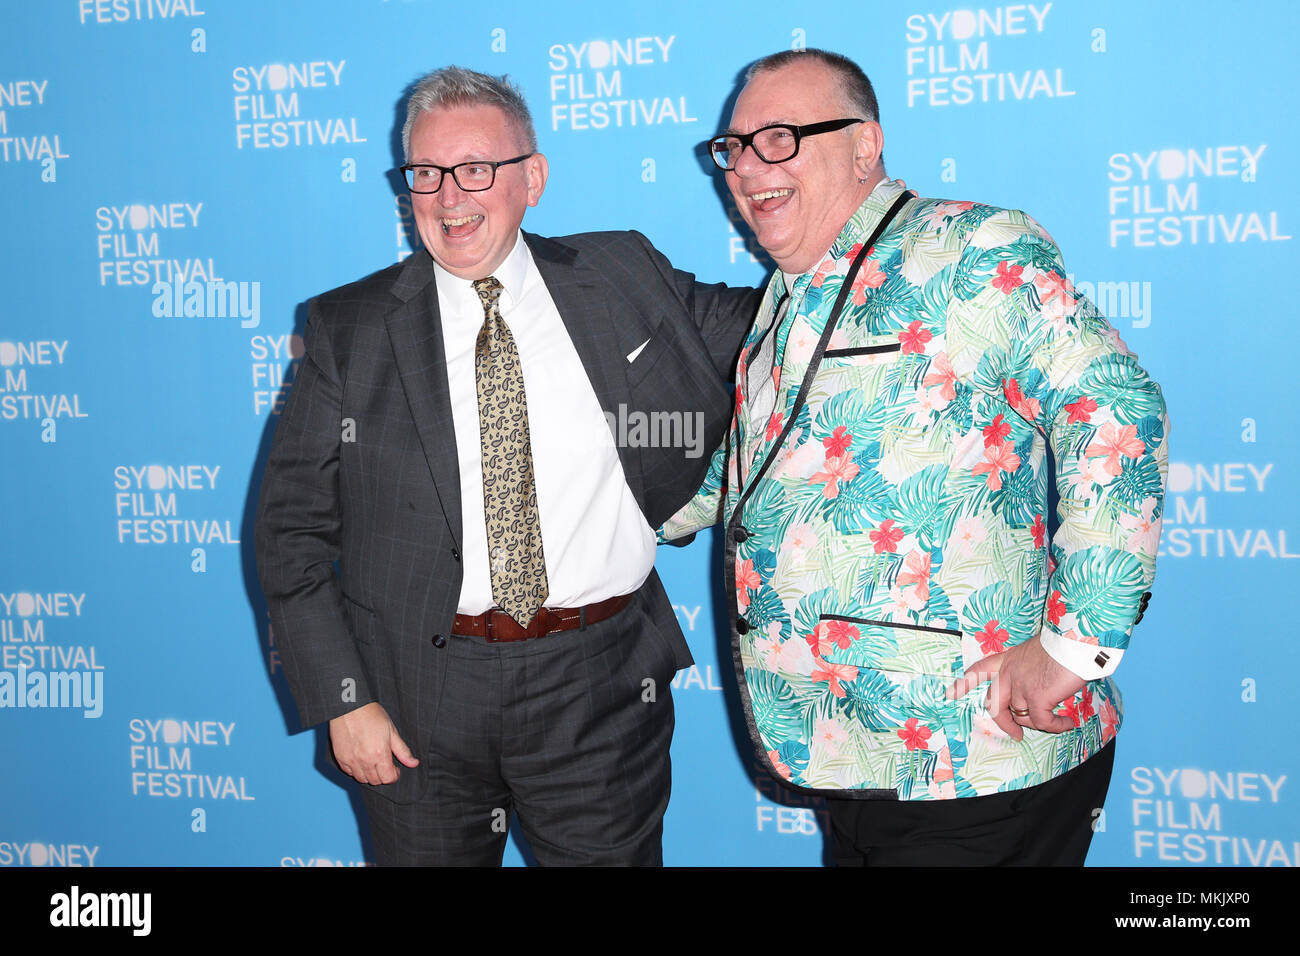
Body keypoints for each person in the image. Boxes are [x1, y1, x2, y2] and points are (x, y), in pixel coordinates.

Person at [663, 49, 1168, 865]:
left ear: (866, 146)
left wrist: (1076, 648)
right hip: (854, 755)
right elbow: (746, 473)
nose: (750, 166)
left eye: (781, 138)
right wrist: (603, 516)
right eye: (736, 147)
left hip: (976, 757)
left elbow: (1116, 409)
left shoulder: (970, 249)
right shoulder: (786, 299)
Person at [255, 66, 757, 866]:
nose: (450, 198)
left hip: (599, 686)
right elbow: (291, 535)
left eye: (476, 170)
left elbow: (776, 322)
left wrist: (869, 231)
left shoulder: (621, 274)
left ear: (534, 178)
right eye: (426, 173)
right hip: (415, 697)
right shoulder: (347, 328)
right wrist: (344, 700)